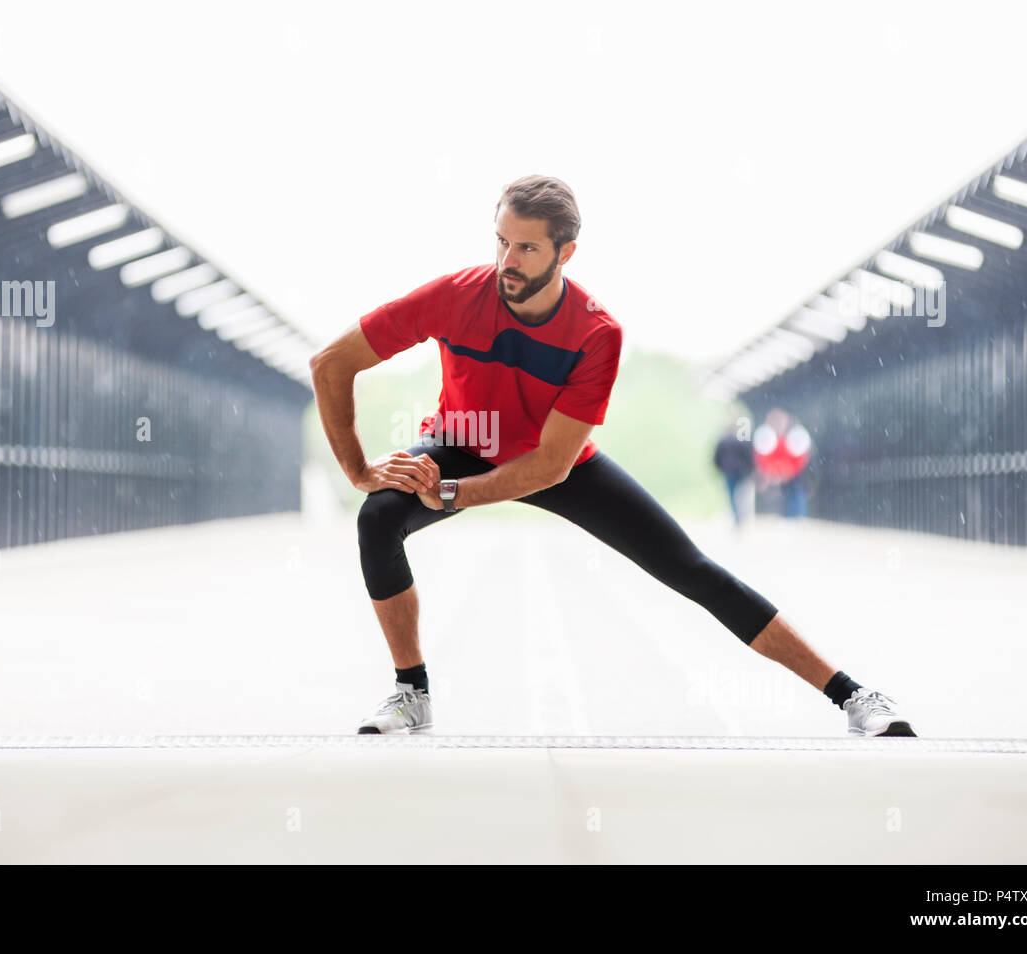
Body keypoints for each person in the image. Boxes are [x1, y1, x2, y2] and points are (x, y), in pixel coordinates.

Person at [308, 175, 915, 738]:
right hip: (462, 442)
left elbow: (549, 467)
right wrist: (361, 471)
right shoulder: (454, 296)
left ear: (565, 253)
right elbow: (330, 363)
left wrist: (448, 494)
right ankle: (411, 694)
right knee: (378, 516)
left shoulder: (597, 333)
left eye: (526, 249)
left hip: (557, 459)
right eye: (501, 242)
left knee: (691, 569)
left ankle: (854, 696)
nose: (506, 262)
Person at [713, 424, 755, 528]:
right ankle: (740, 515)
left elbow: (717, 457)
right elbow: (749, 457)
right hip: (741, 472)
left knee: (732, 494)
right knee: (741, 496)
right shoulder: (743, 441)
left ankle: (737, 515)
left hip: (729, 471)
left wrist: (719, 468)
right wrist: (750, 470)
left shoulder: (723, 441)